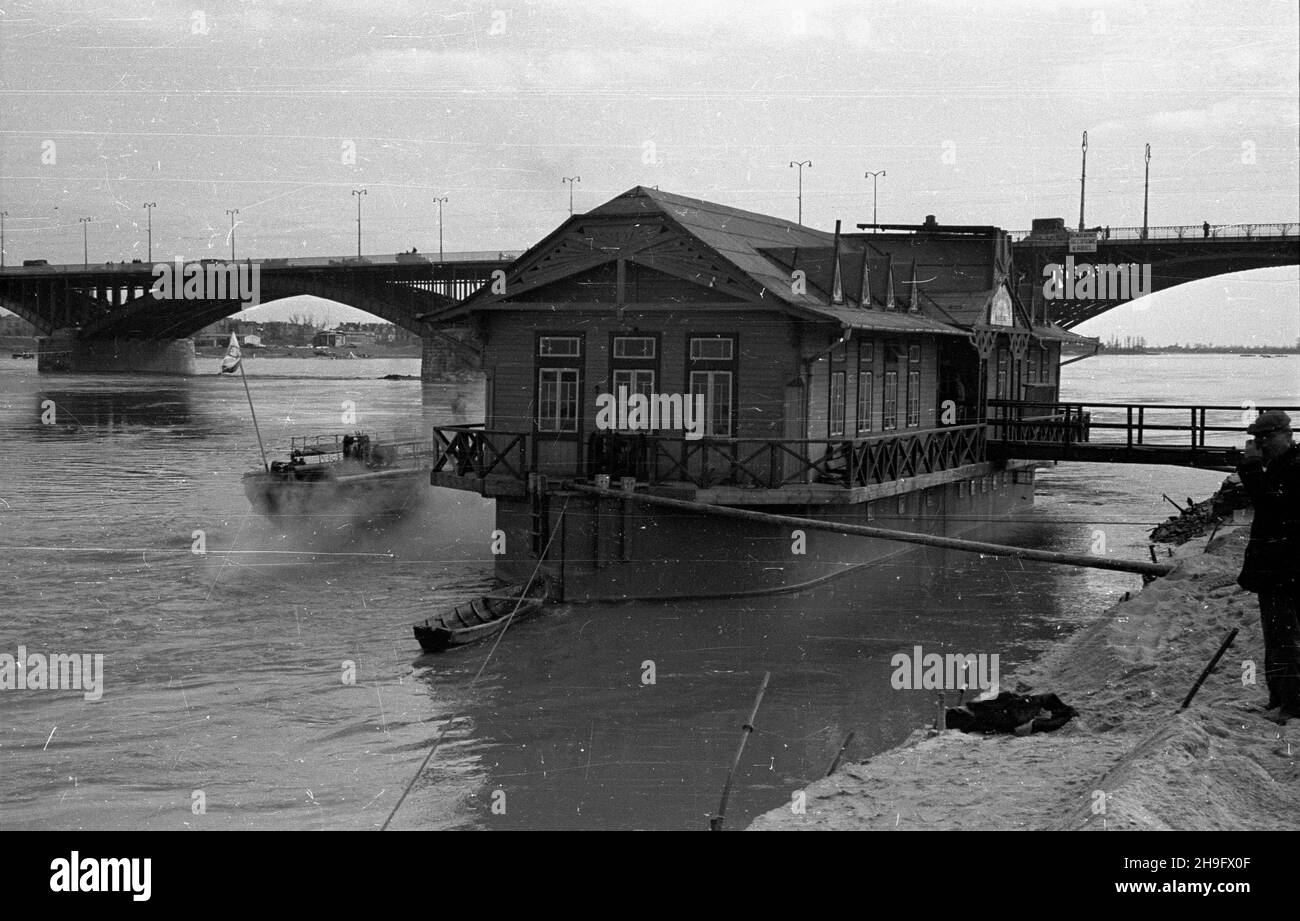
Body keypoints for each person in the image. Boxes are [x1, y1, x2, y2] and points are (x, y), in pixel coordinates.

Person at [1236, 410, 1300, 723]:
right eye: (1258, 439)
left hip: (1286, 571)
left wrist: (1250, 467)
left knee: (1286, 641)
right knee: (1276, 639)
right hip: (1277, 570)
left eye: (1267, 438)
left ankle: (1293, 705)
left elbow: (1273, 507)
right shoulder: (1279, 466)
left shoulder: (1295, 468)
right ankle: (1280, 700)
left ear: (1287, 435)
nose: (1261, 445)